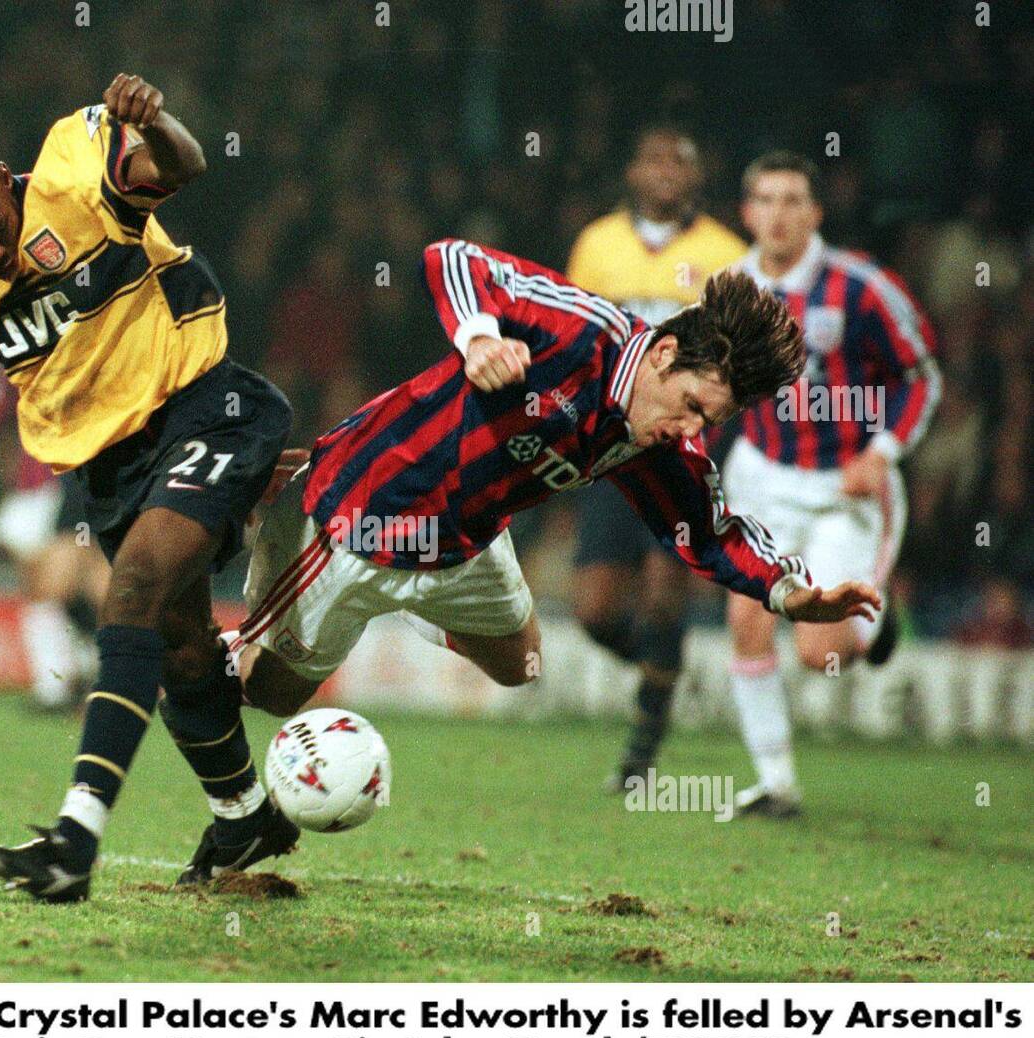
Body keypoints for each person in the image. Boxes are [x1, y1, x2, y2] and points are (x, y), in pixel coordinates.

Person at [232, 240, 880, 740]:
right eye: (691, 405)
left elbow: (710, 533)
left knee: (522, 664)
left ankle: (415, 603)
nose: (691, 429)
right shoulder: (581, 330)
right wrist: (479, 334)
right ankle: (175, 659)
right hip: (360, 513)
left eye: (708, 421)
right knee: (273, 694)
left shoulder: (663, 444)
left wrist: (793, 593)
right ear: (663, 353)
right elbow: (454, 258)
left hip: (464, 538)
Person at [0, 73, 296, 901]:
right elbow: (47, 373)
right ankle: (246, 814)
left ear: (3, 178)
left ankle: (76, 837)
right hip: (114, 466)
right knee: (184, 649)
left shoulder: (73, 171)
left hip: (203, 407)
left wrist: (157, 123)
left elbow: (183, 168)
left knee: (135, 594)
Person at [725, 152, 941, 817]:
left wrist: (882, 451)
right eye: (766, 200)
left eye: (793, 200)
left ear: (815, 213)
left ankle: (877, 628)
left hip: (843, 486)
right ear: (747, 212)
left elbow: (923, 377)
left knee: (821, 653)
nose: (779, 214)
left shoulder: (863, 286)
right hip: (762, 475)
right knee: (746, 620)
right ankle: (776, 784)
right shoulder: (728, 288)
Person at [566, 126, 749, 792]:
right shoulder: (596, 243)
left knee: (666, 591)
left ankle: (641, 753)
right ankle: (661, 670)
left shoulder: (727, 253)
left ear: (698, 177)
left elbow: (741, 361)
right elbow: (578, 339)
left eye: (682, 159)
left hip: (684, 446)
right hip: (612, 444)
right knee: (592, 610)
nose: (667, 170)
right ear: (633, 170)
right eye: (655, 158)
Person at [0, 368, 108, 713]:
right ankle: (75, 675)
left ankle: (67, 679)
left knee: (65, 583)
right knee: (72, 582)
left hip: (56, 491)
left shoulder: (26, 365)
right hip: (65, 489)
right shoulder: (42, 362)